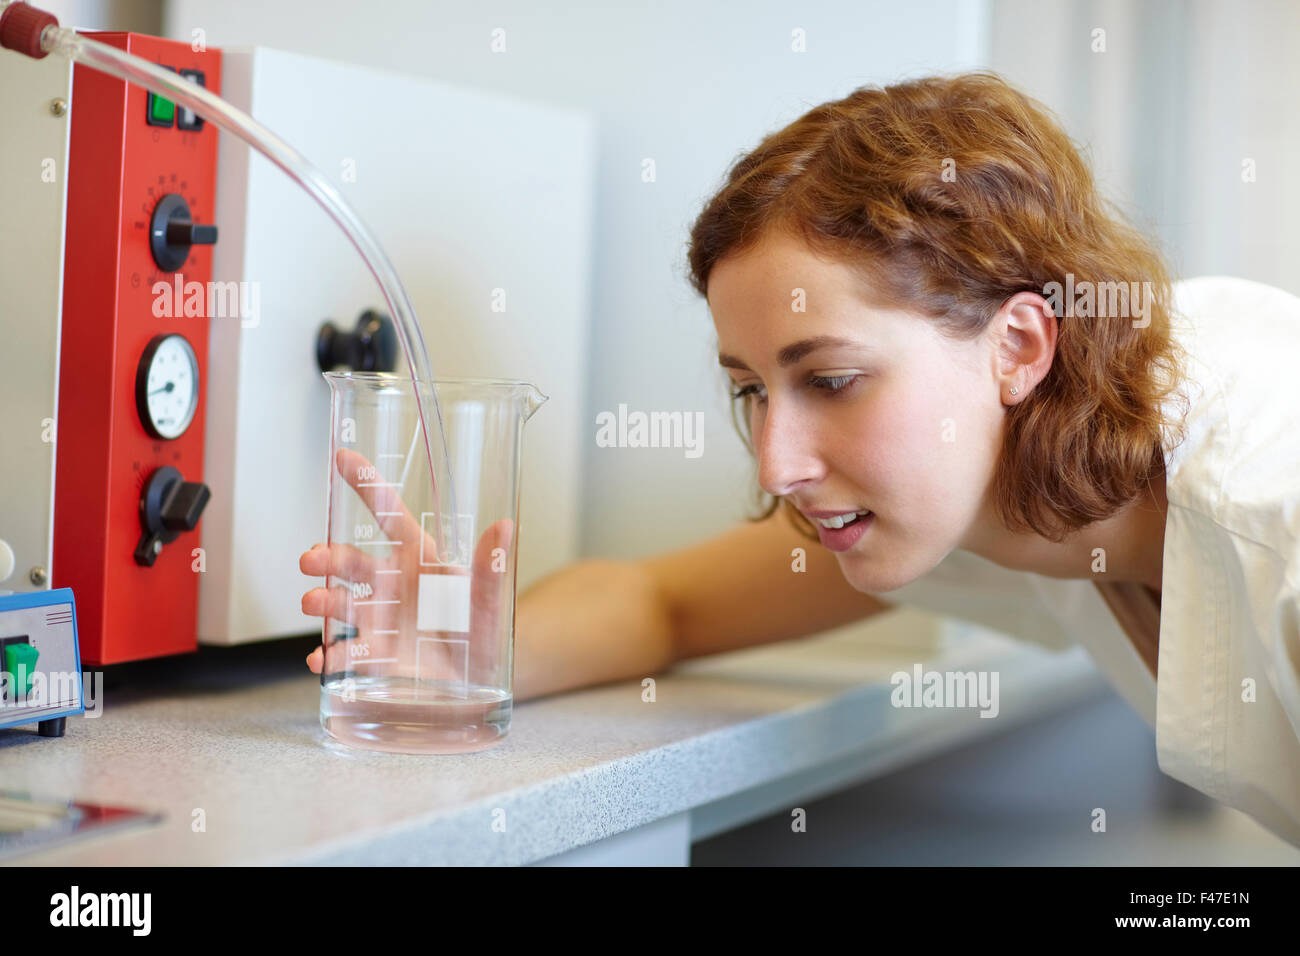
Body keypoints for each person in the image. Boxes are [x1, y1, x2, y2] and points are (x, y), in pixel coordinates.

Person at [300, 71, 1300, 847]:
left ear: (1020, 345)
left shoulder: (1273, 514)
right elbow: (667, 604)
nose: (776, 464)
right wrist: (475, 648)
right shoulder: (999, 474)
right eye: (749, 388)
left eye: (830, 380)